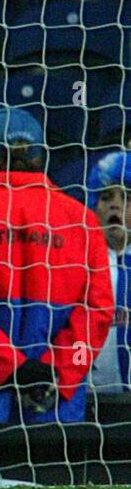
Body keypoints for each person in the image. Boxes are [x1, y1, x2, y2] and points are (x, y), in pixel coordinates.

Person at [0, 108, 114, 426]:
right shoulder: (82, 220)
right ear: (42, 155)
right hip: (54, 399)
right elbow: (97, 313)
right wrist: (59, 370)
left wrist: (10, 367)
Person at [85, 150, 131, 394]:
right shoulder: (80, 266)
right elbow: (75, 337)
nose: (116, 204)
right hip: (93, 396)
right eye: (105, 197)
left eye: (128, 198)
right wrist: (78, 369)